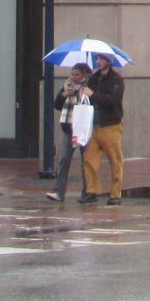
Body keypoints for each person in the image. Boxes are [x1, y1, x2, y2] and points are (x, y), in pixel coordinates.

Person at [82, 53, 126, 206]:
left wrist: (93, 95)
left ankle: (115, 194)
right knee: (89, 158)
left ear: (108, 61)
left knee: (115, 160)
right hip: (96, 125)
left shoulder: (116, 80)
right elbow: (88, 97)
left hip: (111, 125)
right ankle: (92, 191)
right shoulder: (94, 78)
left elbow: (111, 101)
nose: (98, 62)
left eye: (102, 59)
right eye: (97, 59)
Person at [49, 64, 90, 203]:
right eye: (72, 74)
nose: (74, 77)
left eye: (77, 74)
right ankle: (59, 191)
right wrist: (63, 95)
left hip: (83, 128)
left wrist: (82, 95)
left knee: (86, 161)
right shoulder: (67, 85)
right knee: (64, 159)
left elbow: (91, 105)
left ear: (83, 75)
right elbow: (57, 105)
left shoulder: (89, 86)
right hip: (69, 126)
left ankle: (87, 192)